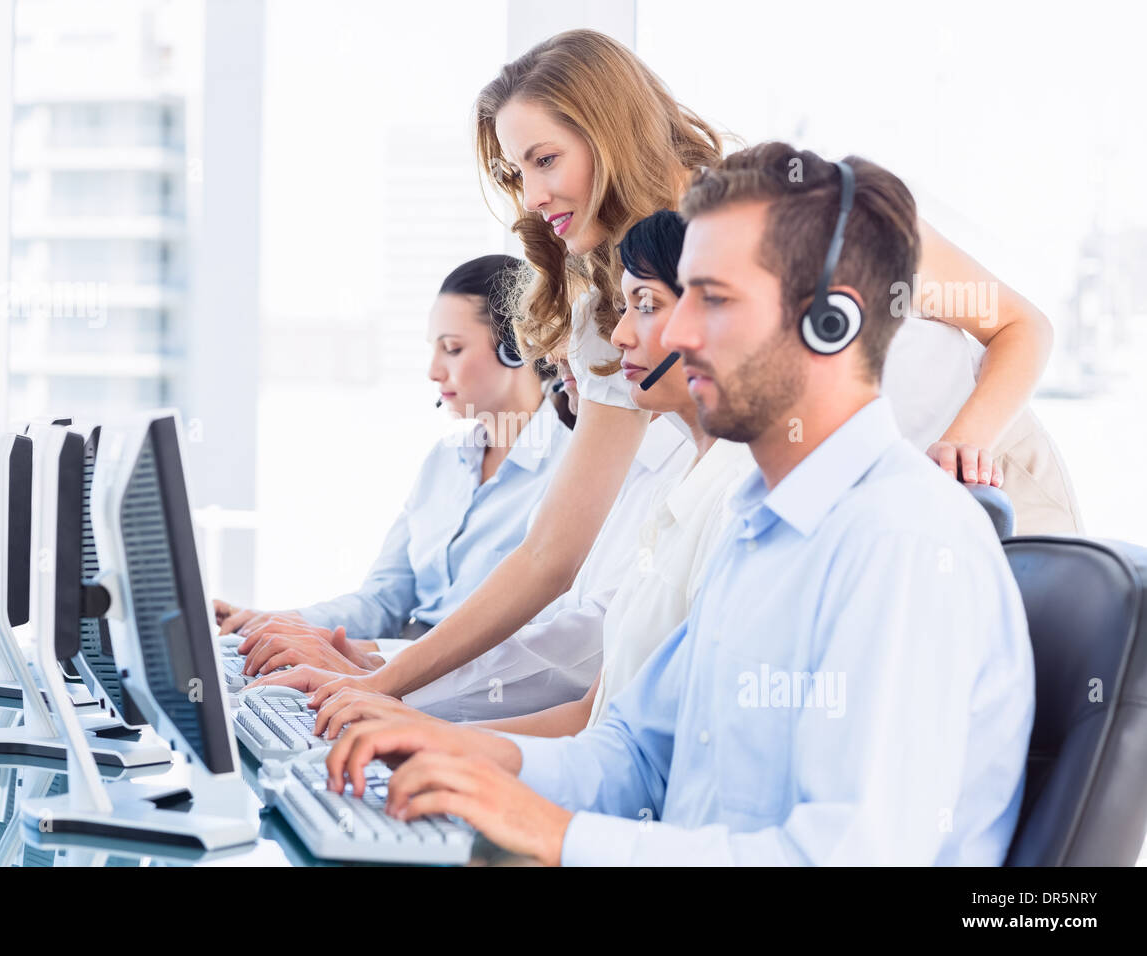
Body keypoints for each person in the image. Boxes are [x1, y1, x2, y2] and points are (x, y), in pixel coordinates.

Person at [242, 27, 1073, 711]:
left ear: (606, 132)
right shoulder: (610, 305)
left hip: (984, 486)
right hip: (846, 534)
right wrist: (382, 686)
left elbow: (1020, 325)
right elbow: (552, 557)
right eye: (512, 173)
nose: (528, 195)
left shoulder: (804, 210)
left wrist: (958, 452)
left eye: (542, 159)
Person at [322, 143, 1036, 867]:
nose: (681, 333)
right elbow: (633, 752)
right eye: (682, 295)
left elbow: (845, 856)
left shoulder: (897, 542)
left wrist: (554, 835)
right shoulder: (758, 528)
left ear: (831, 323)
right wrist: (453, 748)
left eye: (714, 299)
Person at [306, 210, 754, 737]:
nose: (609, 338)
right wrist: (387, 691)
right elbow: (600, 715)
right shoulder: (660, 483)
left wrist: (393, 691)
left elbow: (577, 668)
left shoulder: (713, 491)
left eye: (641, 308)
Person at [214, 255, 571, 676]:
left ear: (516, 346)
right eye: (433, 349)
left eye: (453, 349)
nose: (434, 371)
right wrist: (272, 624)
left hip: (469, 692)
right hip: (393, 672)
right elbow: (384, 600)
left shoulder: (571, 467)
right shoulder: (445, 461)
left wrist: (368, 654)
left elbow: (539, 641)